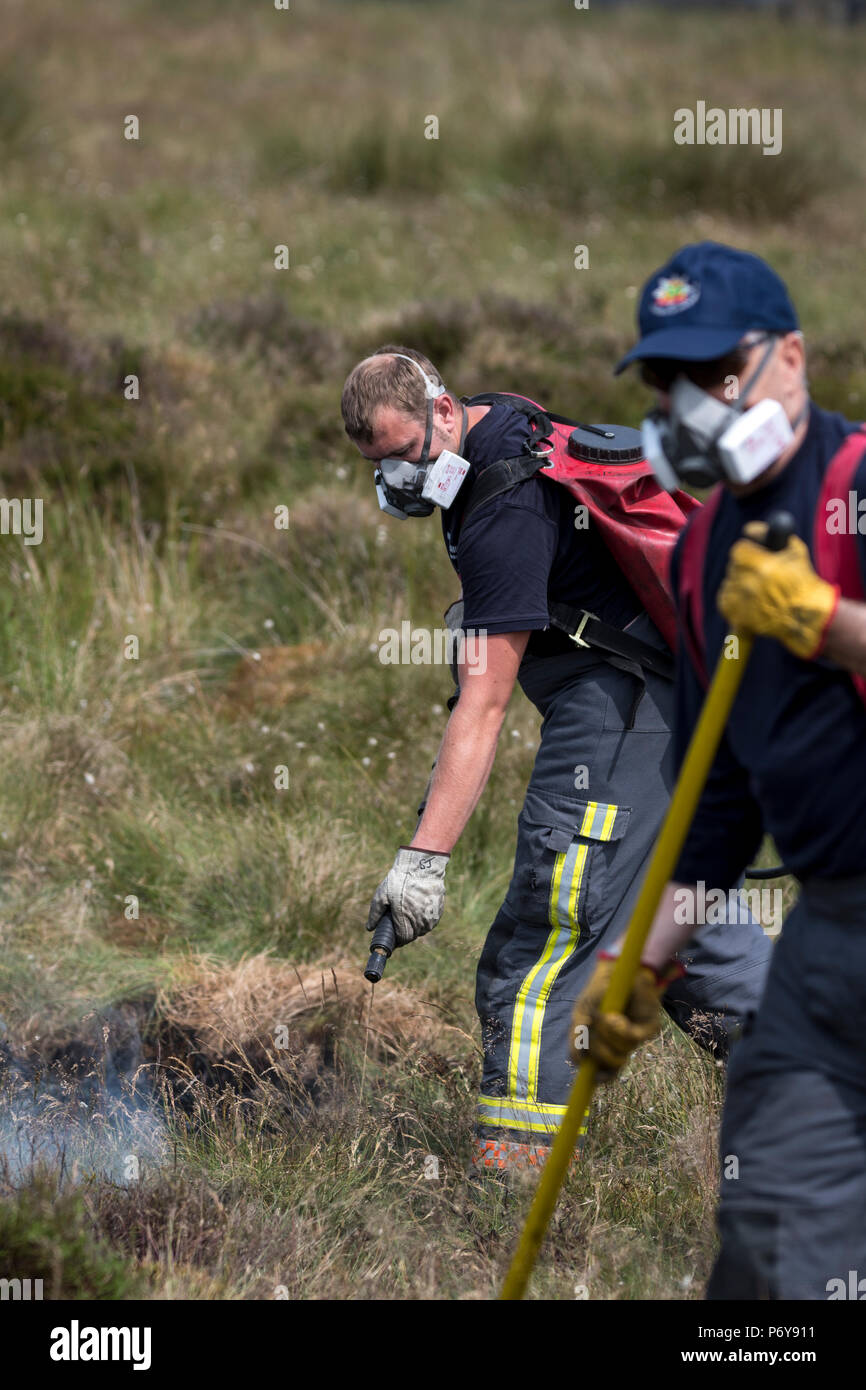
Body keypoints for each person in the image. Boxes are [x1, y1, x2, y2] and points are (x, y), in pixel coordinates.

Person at [340, 345, 771, 1175]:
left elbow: (485, 704)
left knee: (543, 941)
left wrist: (423, 862)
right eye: (376, 465)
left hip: (622, 717)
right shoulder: (503, 422)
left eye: (404, 455)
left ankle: (511, 1181)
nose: (396, 479)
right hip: (668, 717)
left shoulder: (502, 511)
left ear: (441, 411)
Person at [573, 239, 866, 1296]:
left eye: (714, 372)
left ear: (788, 355)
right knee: (762, 1240)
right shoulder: (700, 552)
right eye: (666, 381)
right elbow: (715, 802)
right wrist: (638, 962)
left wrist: (822, 622)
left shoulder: (856, 483)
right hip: (831, 939)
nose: (690, 402)